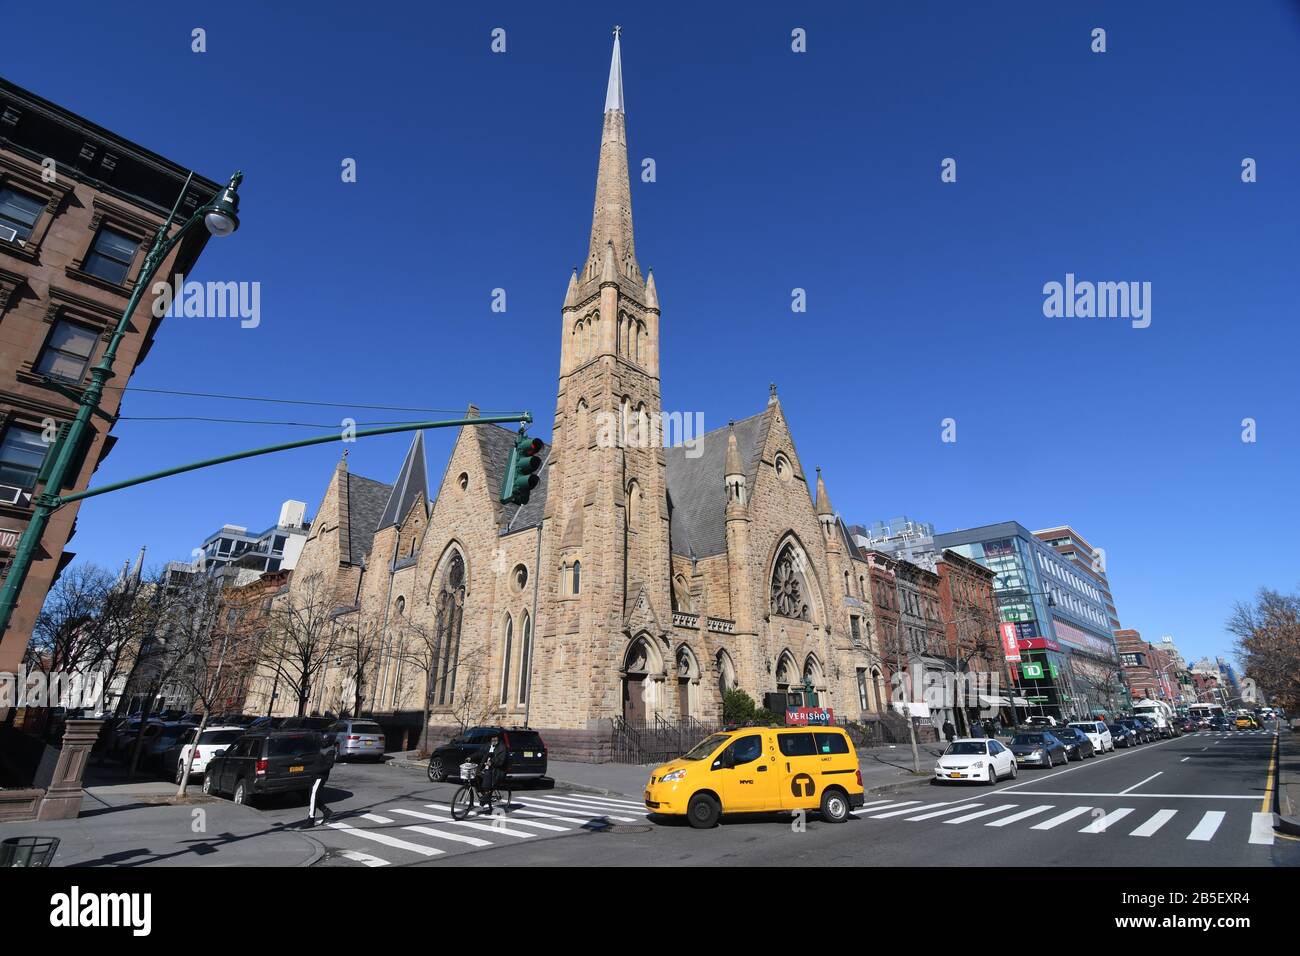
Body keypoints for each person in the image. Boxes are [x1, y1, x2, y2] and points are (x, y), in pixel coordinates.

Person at [477, 734, 510, 806]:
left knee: (487, 774)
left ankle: (487, 795)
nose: (494, 741)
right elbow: (479, 753)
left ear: (498, 740)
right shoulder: (488, 746)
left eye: (496, 740)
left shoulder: (502, 748)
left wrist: (492, 762)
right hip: (487, 768)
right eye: (492, 739)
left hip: (498, 770)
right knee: (476, 776)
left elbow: (501, 761)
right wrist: (470, 757)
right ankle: (484, 793)